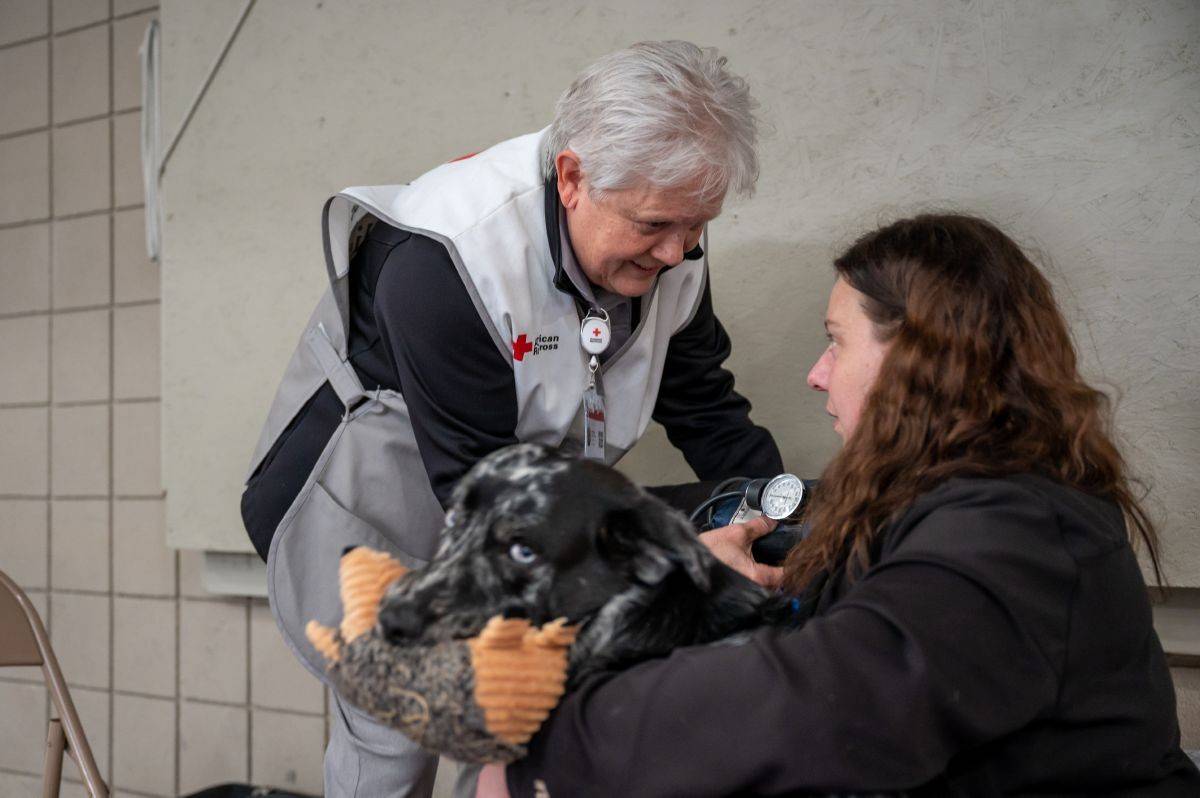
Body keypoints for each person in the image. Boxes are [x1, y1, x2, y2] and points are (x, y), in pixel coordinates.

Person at [479, 214, 1200, 796]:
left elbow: (818, 705)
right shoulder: (959, 496)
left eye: (835, 343)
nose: (817, 376)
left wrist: (561, 743)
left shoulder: (1015, 533)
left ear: (918, 358)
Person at [240, 41, 783, 798]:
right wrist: (679, 570)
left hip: (512, 495)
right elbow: (488, 489)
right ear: (572, 178)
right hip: (369, 493)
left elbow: (705, 406)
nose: (677, 251)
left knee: (524, 711)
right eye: (656, 224)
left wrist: (786, 509)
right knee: (404, 719)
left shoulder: (673, 242)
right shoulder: (445, 257)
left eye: (697, 226)